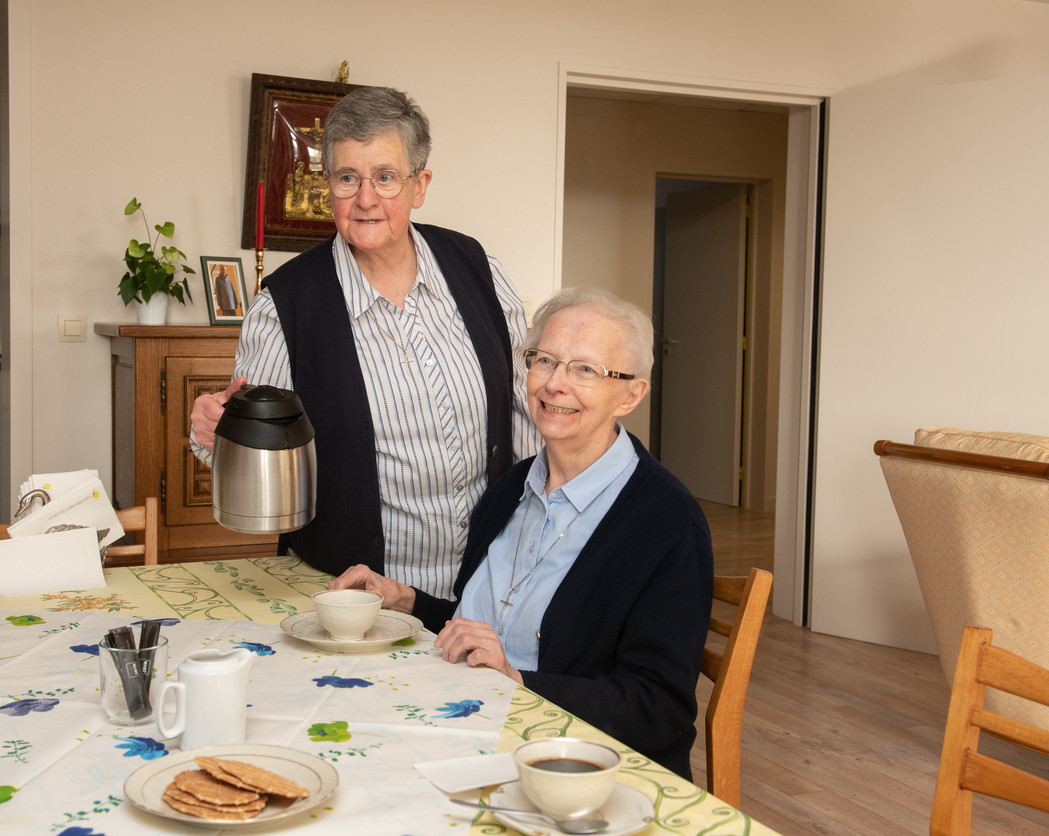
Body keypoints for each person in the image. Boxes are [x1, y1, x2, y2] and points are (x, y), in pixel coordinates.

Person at [330, 287, 714, 780]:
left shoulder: (667, 524)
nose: (555, 384)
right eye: (545, 360)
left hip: (576, 772)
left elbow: (658, 709)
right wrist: (406, 601)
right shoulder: (512, 486)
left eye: (586, 370)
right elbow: (490, 630)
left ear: (631, 395)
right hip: (469, 725)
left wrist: (519, 682)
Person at [191, 86, 538, 601]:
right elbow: (257, 446)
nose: (366, 199)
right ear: (328, 184)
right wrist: (213, 433)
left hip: (488, 584)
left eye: (386, 177)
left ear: (419, 186)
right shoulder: (285, 305)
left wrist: (535, 543)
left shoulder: (478, 269)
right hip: (352, 595)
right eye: (347, 177)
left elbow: (526, 413)